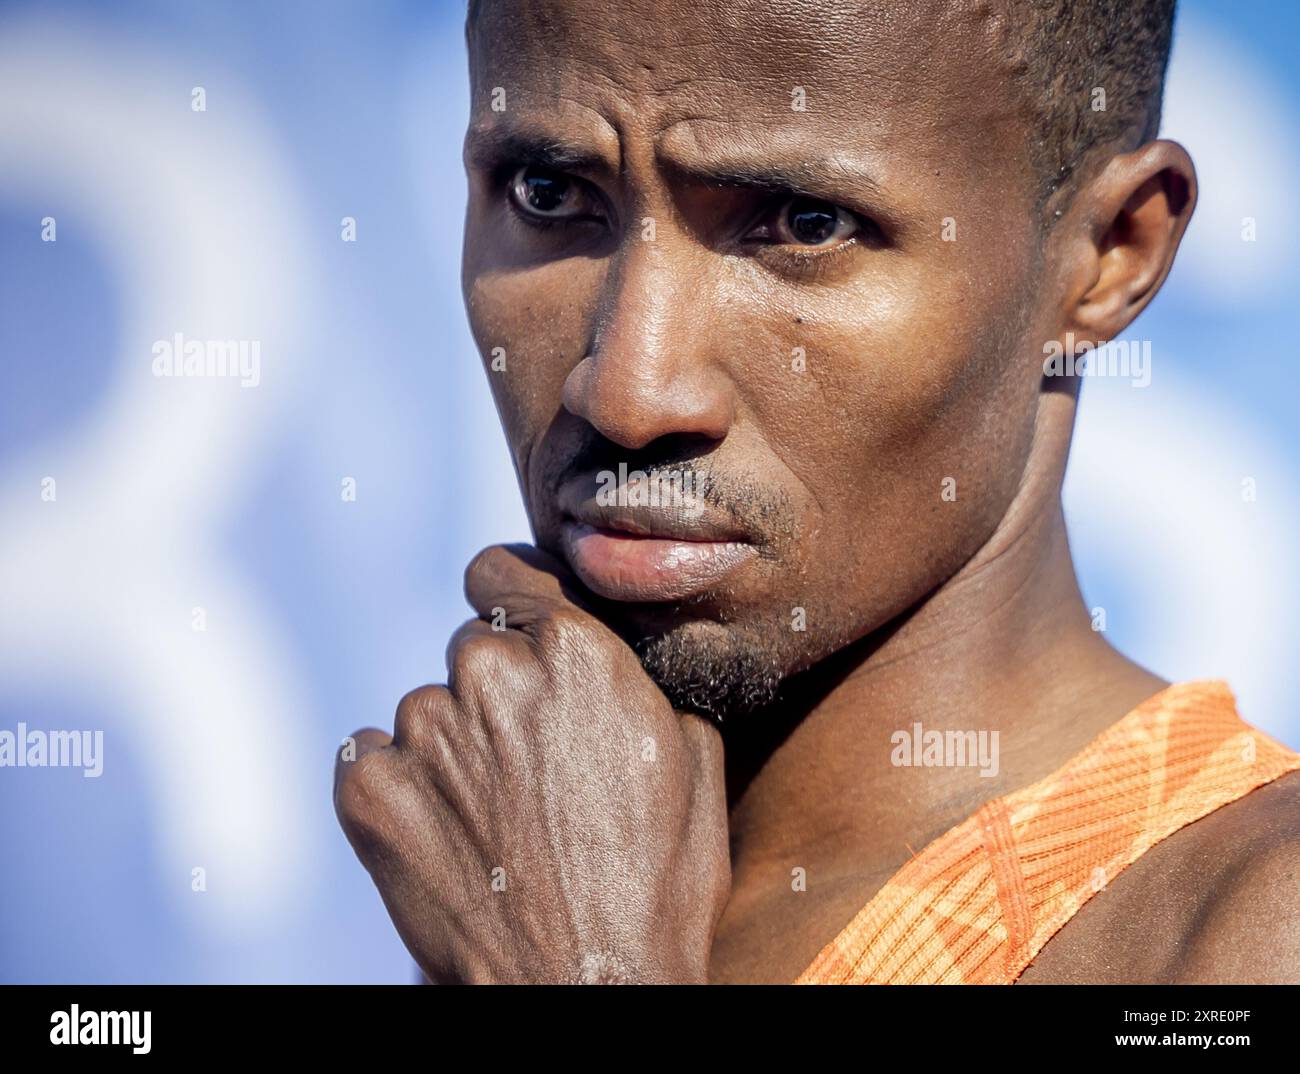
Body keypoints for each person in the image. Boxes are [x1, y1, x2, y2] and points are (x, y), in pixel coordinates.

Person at [334, 0, 1300, 984]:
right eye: (547, 191)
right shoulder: (504, 855)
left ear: (1108, 255)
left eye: (804, 224)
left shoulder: (1247, 927)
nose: (626, 392)